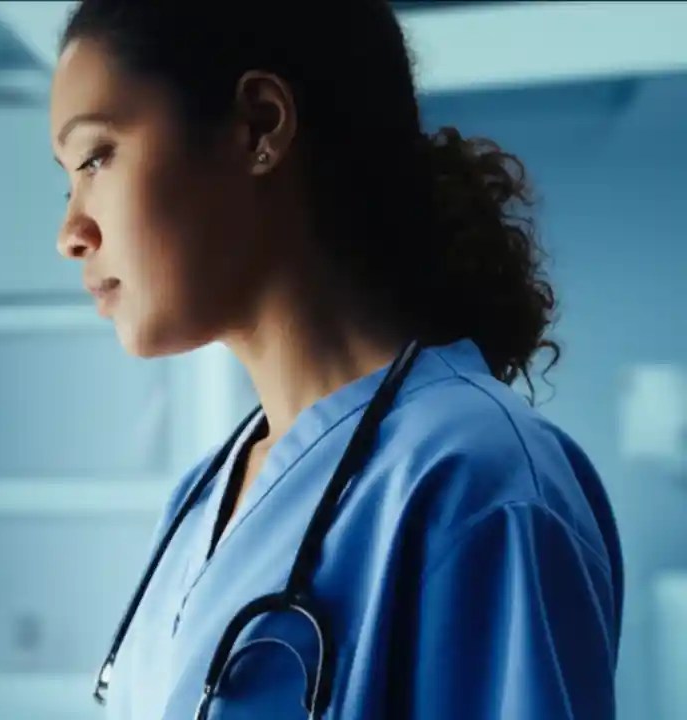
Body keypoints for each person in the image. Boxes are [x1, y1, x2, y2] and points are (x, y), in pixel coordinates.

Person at [49, 1, 623, 718]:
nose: (70, 231)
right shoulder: (201, 498)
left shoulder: (476, 480)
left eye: (96, 157)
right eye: (66, 178)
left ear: (259, 125)